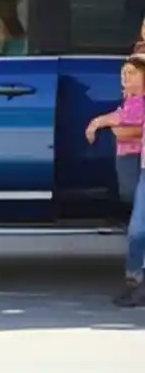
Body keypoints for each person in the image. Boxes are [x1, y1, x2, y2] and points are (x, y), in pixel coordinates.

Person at [86, 56, 145, 306]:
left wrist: (109, 124)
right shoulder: (130, 102)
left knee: (138, 231)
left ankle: (137, 282)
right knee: (138, 229)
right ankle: (136, 284)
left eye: (133, 73)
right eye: (125, 73)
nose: (126, 78)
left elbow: (129, 129)